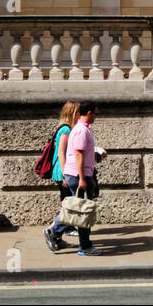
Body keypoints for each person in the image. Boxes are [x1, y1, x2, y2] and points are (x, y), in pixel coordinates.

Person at [61, 101, 102, 256]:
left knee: (79, 209)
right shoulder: (81, 131)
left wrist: (94, 157)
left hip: (81, 174)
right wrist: (83, 179)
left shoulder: (83, 129)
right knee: (83, 211)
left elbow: (82, 153)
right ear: (89, 113)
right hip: (80, 176)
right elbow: (78, 154)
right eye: (96, 114)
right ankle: (84, 246)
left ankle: (55, 231)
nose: (96, 117)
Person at [42, 100, 80, 252]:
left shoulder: (67, 128)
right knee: (70, 205)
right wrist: (65, 175)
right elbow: (61, 153)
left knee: (67, 204)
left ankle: (58, 235)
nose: (80, 115)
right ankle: (52, 231)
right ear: (71, 113)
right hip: (62, 171)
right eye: (78, 112)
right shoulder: (65, 130)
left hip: (63, 171)